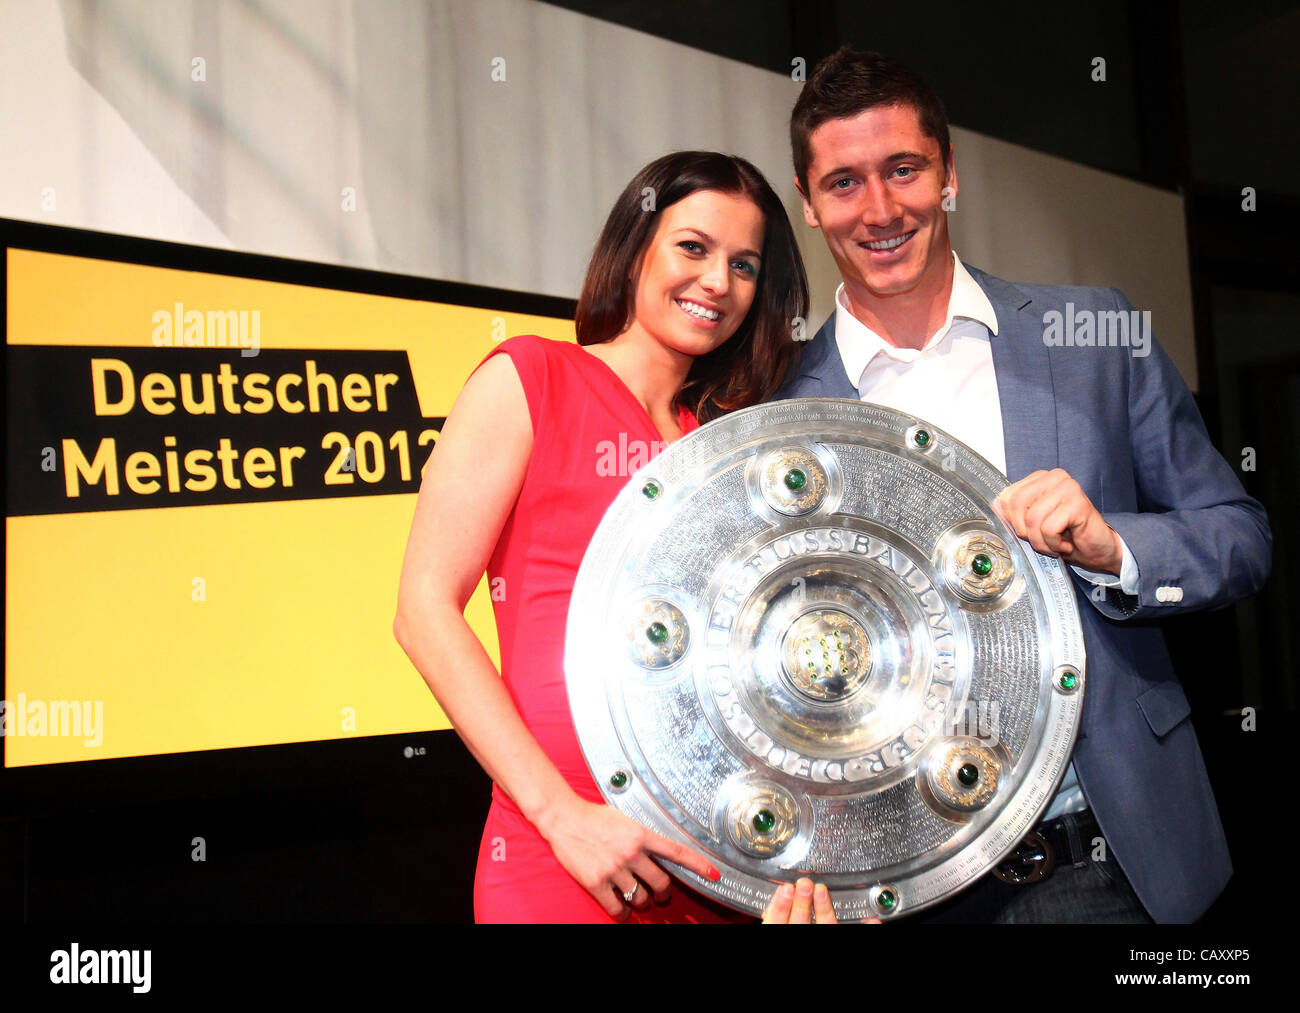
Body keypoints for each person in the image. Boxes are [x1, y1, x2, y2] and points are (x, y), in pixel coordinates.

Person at [776, 47, 1272, 923]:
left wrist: (1113, 546)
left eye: (904, 169)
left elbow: (1241, 535)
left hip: (1111, 859)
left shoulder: (1095, 333)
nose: (881, 209)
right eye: (844, 183)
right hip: (911, 886)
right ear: (809, 203)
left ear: (950, 172)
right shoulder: (781, 419)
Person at [394, 151, 809, 923]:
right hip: (562, 856)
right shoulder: (531, 377)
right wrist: (561, 816)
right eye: (693, 247)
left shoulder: (725, 449)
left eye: (744, 265)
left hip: (718, 873)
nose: (717, 281)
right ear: (636, 247)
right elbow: (423, 611)